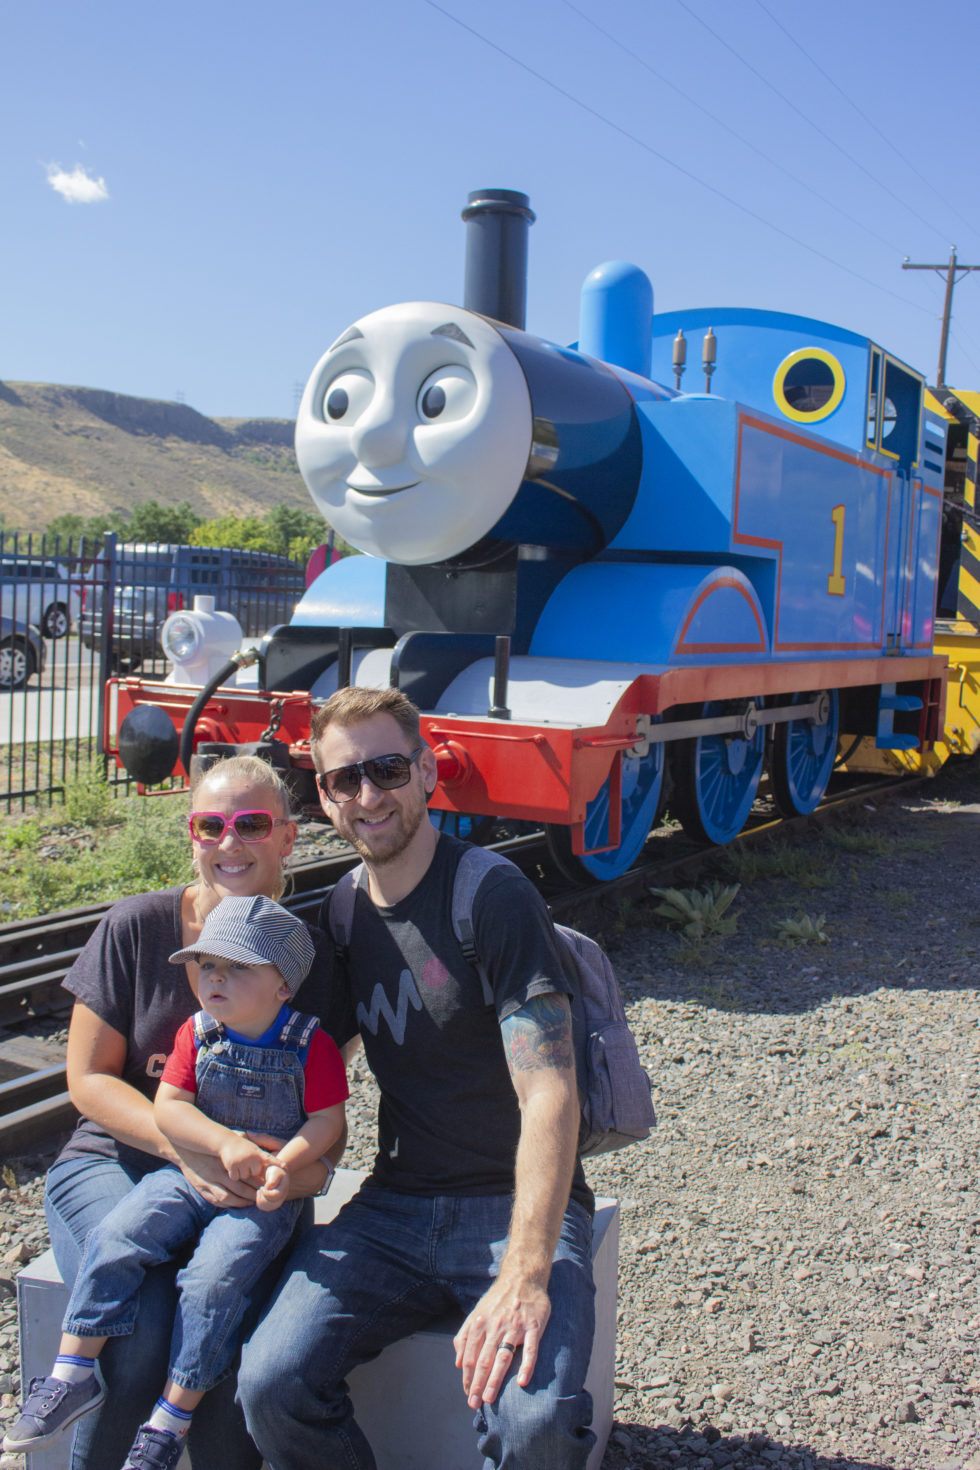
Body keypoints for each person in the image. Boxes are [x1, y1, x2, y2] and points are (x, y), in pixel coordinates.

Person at [238, 686, 597, 1470]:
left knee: (537, 1427)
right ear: (325, 798)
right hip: (396, 1210)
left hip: (511, 1206)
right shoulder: (339, 912)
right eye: (343, 780)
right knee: (271, 1383)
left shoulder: (490, 896)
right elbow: (290, 1061)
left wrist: (527, 1269)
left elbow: (551, 1091)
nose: (368, 795)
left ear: (428, 773)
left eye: (388, 768)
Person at [42, 755, 349, 1470]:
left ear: (288, 839)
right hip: (113, 1161)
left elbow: (326, 1112)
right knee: (143, 1325)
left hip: (251, 1180)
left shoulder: (307, 959)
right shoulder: (138, 928)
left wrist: (293, 1176)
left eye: (251, 824)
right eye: (210, 824)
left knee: (231, 1331)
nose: (229, 841)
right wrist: (191, 1147)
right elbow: (87, 1082)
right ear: (191, 835)